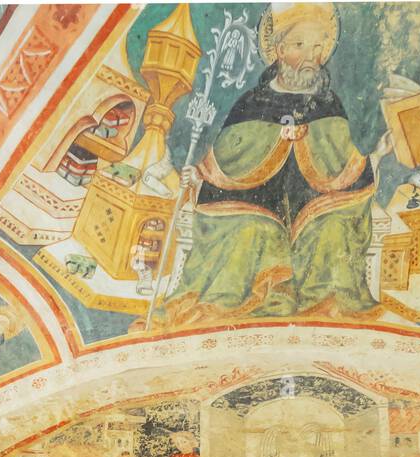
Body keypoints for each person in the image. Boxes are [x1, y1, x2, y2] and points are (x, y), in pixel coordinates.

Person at [160, 2, 390, 325]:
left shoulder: (328, 103)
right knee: (253, 232)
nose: (311, 55)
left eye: (318, 46)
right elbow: (228, 158)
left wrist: (376, 155)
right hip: (252, 206)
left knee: (334, 230)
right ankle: (243, 304)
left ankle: (326, 309)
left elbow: (343, 164)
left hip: (315, 206)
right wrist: (198, 175)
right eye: (299, 45)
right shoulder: (252, 103)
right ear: (279, 49)